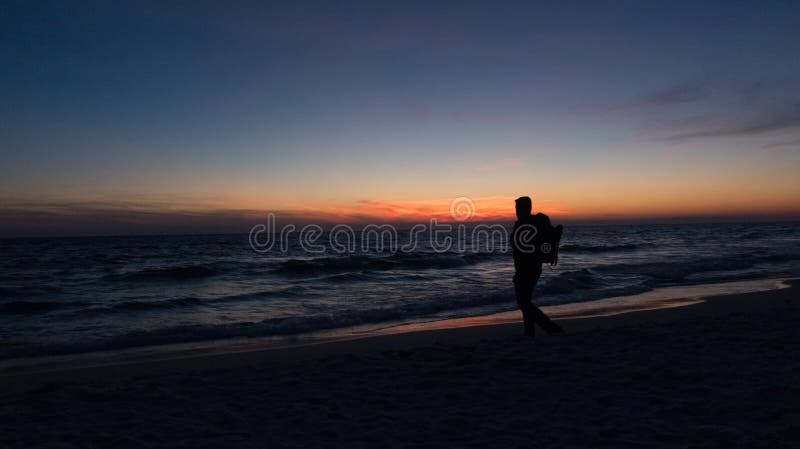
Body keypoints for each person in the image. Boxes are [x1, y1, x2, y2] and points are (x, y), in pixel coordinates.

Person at [510, 196, 564, 337]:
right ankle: (530, 332)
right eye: (516, 208)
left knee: (523, 303)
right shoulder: (531, 223)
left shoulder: (529, 224)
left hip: (528, 269)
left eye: (517, 208)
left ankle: (551, 328)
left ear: (524, 208)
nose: (516, 211)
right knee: (525, 302)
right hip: (527, 269)